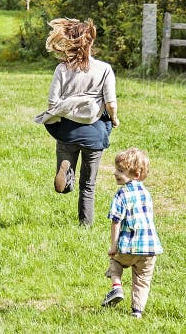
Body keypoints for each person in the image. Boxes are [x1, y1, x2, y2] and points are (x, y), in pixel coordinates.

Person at [34, 18, 120, 226]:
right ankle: (85, 225)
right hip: (94, 133)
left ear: (70, 42)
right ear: (90, 42)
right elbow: (110, 103)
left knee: (67, 169)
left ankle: (66, 175)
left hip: (66, 131)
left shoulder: (62, 69)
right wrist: (114, 119)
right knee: (88, 185)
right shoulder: (104, 69)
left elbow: (53, 102)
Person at [101, 148, 163, 318]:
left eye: (120, 171)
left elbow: (115, 220)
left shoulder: (122, 193)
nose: (115, 173)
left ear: (135, 174)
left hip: (130, 246)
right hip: (150, 248)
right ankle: (137, 312)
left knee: (115, 264)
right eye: (116, 169)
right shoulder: (146, 193)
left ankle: (116, 289)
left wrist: (113, 246)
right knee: (142, 281)